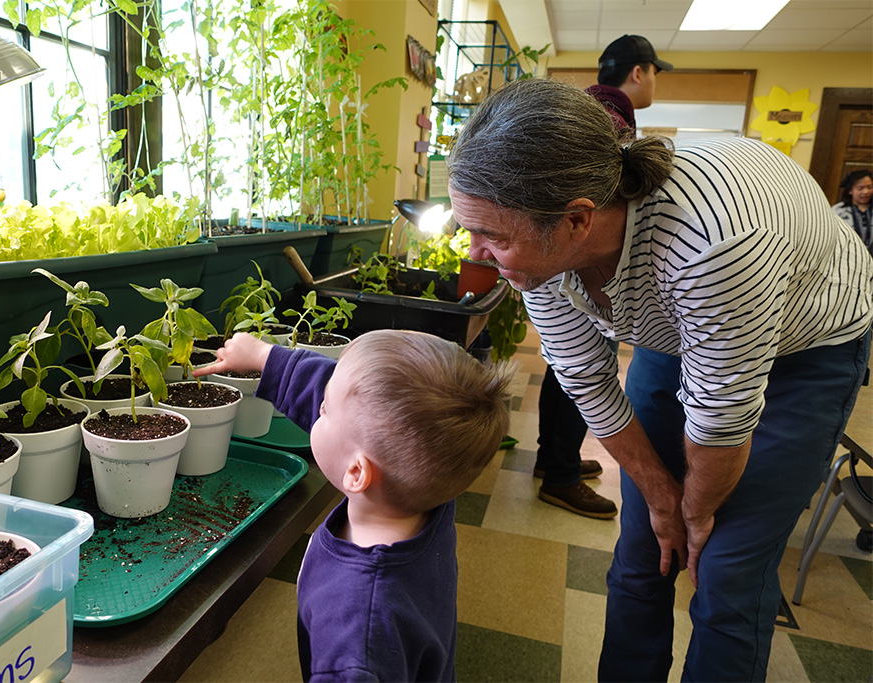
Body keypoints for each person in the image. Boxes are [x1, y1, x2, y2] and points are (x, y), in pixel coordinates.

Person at [446, 77, 872, 681]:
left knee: (724, 570)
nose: (476, 253)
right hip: (681, 324)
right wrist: (662, 497)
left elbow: (719, 424)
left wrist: (695, 511)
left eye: (492, 235)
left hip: (809, 346)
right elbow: (588, 383)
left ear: (577, 219)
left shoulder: (712, 246)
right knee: (645, 547)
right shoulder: (543, 255)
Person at [193, 330, 511, 681]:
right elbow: (351, 409)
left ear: (357, 472)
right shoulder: (427, 487)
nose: (318, 405)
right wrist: (265, 357)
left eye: (325, 409)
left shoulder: (359, 635)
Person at [533, 34, 673, 520]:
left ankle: (557, 460)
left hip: (577, 266)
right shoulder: (608, 110)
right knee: (579, 366)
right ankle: (560, 472)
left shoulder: (592, 105)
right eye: (654, 72)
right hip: (580, 269)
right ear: (639, 72)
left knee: (571, 367)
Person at [833, 169, 873, 257]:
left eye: (870, 187)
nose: (866, 192)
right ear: (850, 190)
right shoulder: (838, 210)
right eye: (860, 188)